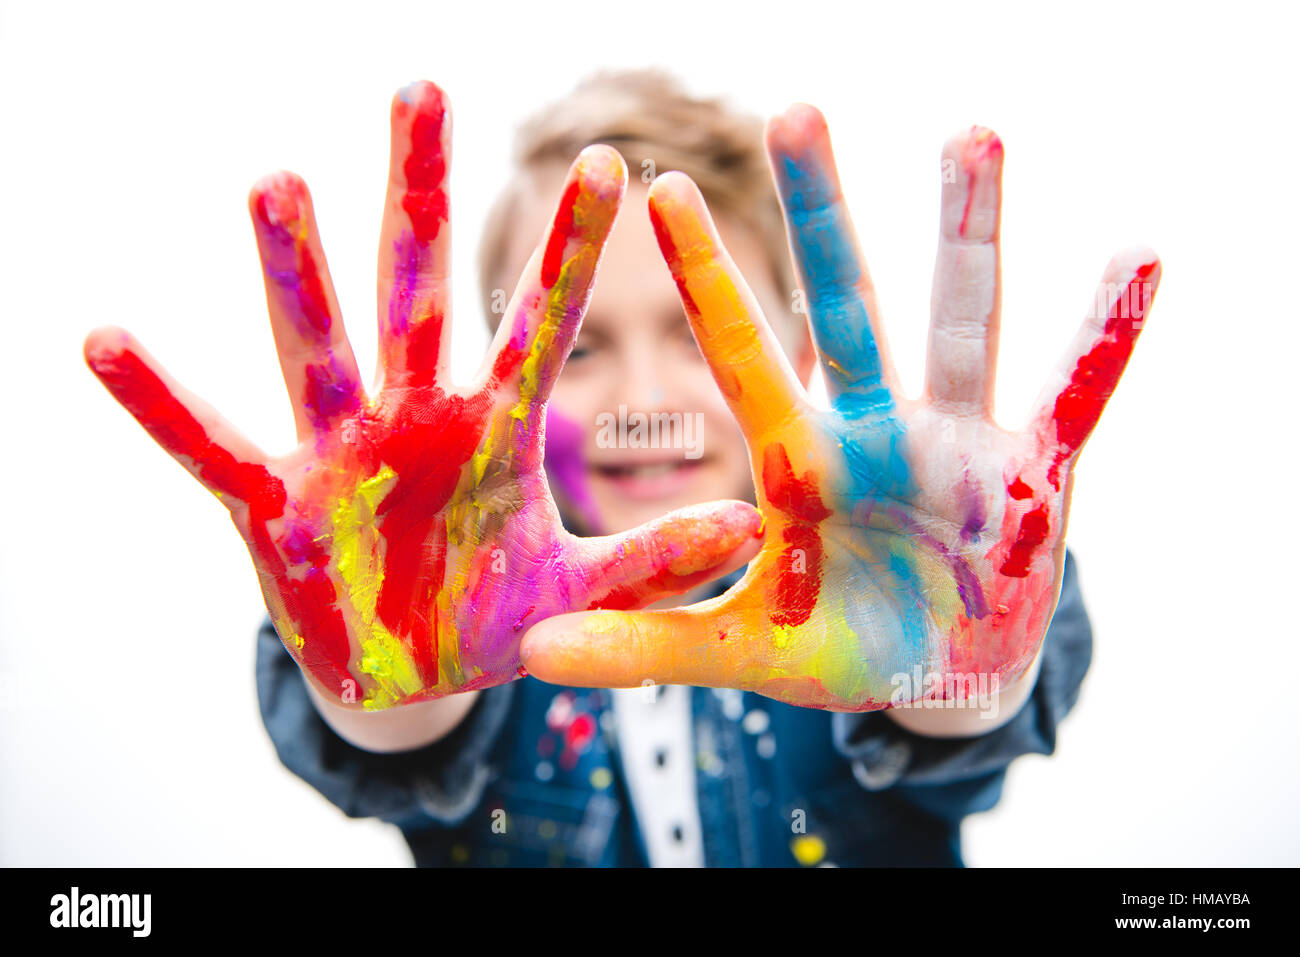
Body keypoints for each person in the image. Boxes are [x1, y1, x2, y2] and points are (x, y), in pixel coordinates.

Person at [88, 71, 1156, 866]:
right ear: (504, 376)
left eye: (692, 330)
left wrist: (958, 671)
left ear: (782, 356)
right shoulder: (486, 625)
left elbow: (959, 726)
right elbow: (403, 737)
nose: (640, 402)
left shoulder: (885, 585)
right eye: (579, 345)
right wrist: (394, 658)